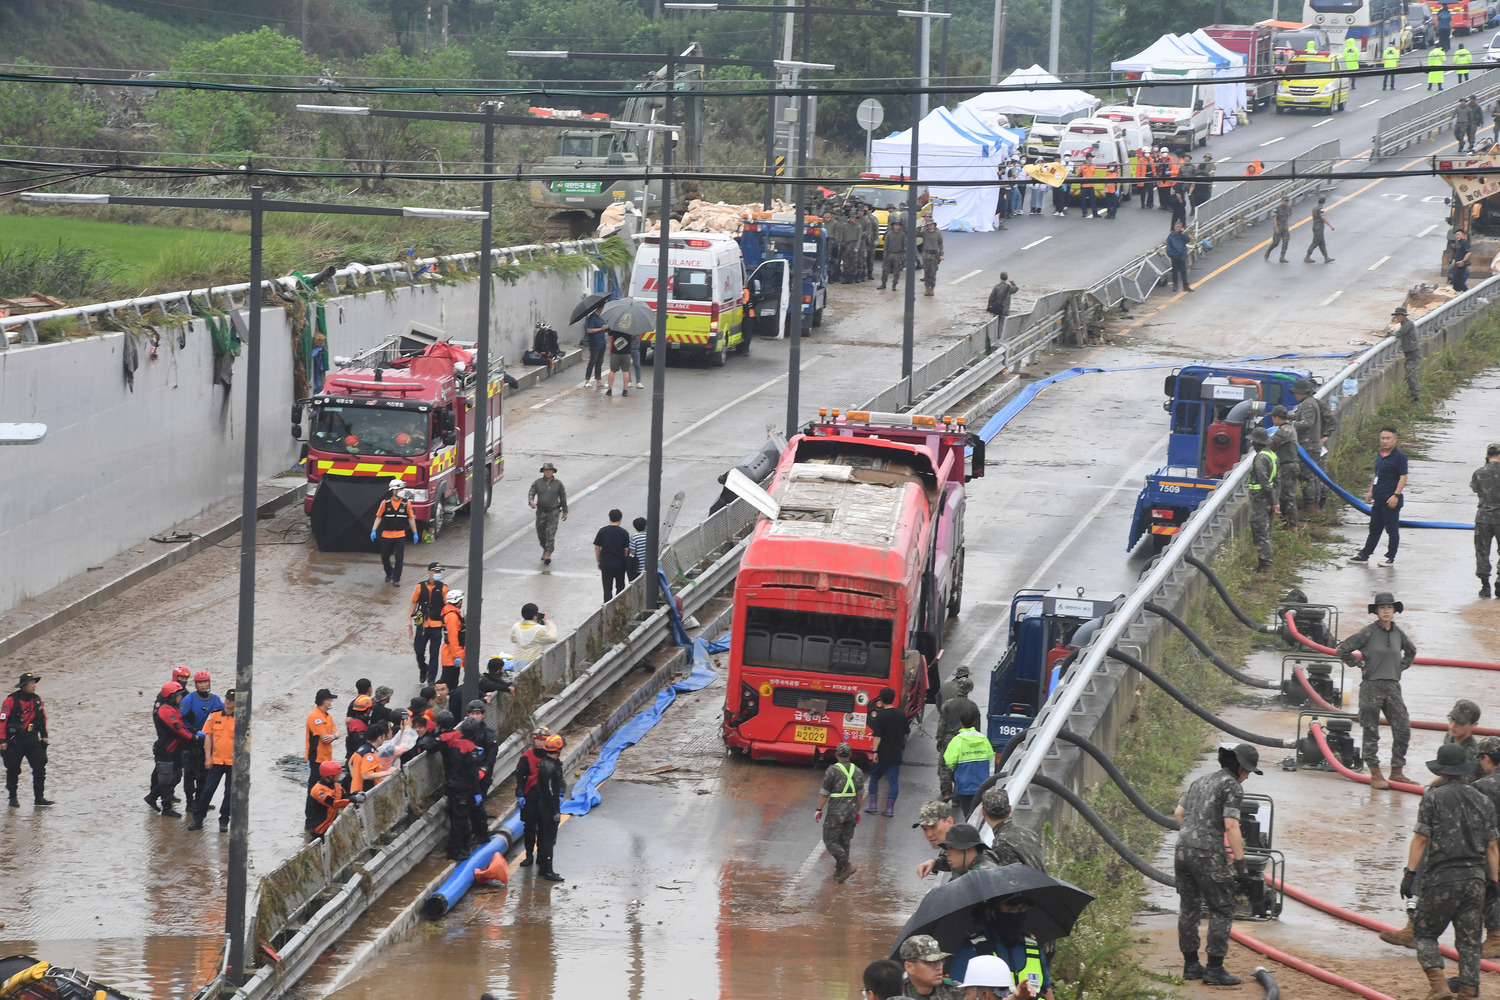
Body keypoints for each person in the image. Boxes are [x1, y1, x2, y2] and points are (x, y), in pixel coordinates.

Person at [1403, 743, 1497, 1000]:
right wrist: (1494, 882)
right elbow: (1491, 845)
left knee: (1424, 933)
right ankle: (1467, 992)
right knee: (1469, 942)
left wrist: (1409, 874)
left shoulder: (1433, 797)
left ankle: (1439, 986)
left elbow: (1420, 839)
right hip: (1475, 880)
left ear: (1442, 770)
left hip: (1442, 878)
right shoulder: (1482, 799)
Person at [1173, 743, 1261, 986]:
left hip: (1182, 850)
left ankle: (1191, 965)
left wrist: (1191, 837)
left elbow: (1179, 812)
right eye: (1249, 771)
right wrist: (1241, 865)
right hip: (1208, 854)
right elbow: (1232, 825)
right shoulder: (1231, 785)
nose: (1248, 776)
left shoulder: (1201, 780)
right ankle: (1214, 969)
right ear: (1241, 767)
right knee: (1222, 908)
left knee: (1189, 908)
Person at [1337, 591, 1416, 789]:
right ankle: (1375, 772)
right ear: (1376, 611)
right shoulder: (1368, 632)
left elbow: (1411, 650)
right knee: (1371, 731)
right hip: (1371, 687)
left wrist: (1402, 666)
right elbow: (1343, 649)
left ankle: (1397, 771)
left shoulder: (1398, 633)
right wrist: (1359, 664)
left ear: (1394, 610)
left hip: (1392, 686)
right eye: (1382, 608)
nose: (1386, 611)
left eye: (1389, 607)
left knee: (1403, 728)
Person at [950, 897, 1052, 995]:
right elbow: (957, 991)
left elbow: (1046, 990)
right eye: (1013, 909)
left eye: (1022, 909)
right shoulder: (974, 948)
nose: (1018, 913)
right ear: (994, 913)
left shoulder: (1033, 948)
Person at [1349, 426, 1408, 566]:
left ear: (1395, 440)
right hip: (1378, 499)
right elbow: (1377, 474)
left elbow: (1403, 477)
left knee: (1392, 529)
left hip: (1390, 500)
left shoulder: (1400, 457)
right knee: (1374, 529)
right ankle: (1364, 555)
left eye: (1388, 438)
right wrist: (1371, 491)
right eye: (1383, 438)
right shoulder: (1380, 455)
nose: (1385, 441)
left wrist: (1396, 495)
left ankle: (1390, 556)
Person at [815, 741, 866, 883]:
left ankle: (846, 864)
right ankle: (839, 872)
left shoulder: (832, 770)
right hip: (851, 811)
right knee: (845, 841)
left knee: (830, 840)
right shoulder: (858, 771)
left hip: (835, 811)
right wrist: (857, 811)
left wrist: (819, 809)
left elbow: (825, 793)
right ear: (850, 755)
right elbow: (860, 795)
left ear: (836, 754)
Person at [147, 681, 197, 818]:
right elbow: (178, 729)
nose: (181, 697)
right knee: (167, 779)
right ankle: (165, 806)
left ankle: (153, 797)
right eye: (179, 695)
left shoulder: (173, 708)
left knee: (174, 777)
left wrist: (191, 732)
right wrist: (193, 737)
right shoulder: (166, 710)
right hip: (166, 750)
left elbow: (181, 726)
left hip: (173, 750)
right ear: (171, 696)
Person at [440, 716, 487, 860]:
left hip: (453, 786)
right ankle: (455, 851)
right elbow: (472, 772)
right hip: (463, 788)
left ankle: (460, 847)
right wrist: (477, 792)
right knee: (460, 821)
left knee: (457, 819)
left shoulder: (454, 744)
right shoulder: (470, 748)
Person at [2, 672, 50, 808]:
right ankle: (12, 798)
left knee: (40, 767)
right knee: (13, 769)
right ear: (24, 685)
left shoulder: (36, 699)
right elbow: (2, 721)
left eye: (34, 683)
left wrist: (44, 735)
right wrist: (3, 740)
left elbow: (41, 718)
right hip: (15, 741)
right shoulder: (11, 700)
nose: (34, 685)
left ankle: (39, 798)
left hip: (32, 740)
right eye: (31, 683)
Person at [190, 688, 235, 832]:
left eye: (231, 700)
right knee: (207, 790)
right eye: (227, 698)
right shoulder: (214, 716)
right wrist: (207, 757)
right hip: (216, 761)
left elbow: (245, 741)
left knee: (229, 793)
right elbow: (208, 736)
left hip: (233, 763)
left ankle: (224, 821)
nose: (228, 701)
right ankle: (198, 819)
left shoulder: (242, 718)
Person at [1471, 737, 1500, 956]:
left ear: (1486, 758)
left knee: (1491, 886)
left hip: (1492, 845)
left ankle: (1494, 938)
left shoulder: (1482, 787)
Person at [178, 669, 222, 811]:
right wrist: (194, 732)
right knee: (190, 774)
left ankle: (201, 800)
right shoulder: (188, 700)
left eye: (205, 682)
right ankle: (190, 803)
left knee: (205, 774)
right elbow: (181, 720)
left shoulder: (216, 700)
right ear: (196, 684)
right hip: (192, 742)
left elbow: (223, 717)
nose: (203, 685)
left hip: (209, 743)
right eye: (200, 682)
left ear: (209, 683)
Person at [977, 787, 1046, 871]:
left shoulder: (1001, 844)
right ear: (1009, 809)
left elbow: (1010, 879)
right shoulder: (1030, 834)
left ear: (983, 812)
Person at [943, 705, 994, 817]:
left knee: (968, 814)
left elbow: (949, 761)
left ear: (961, 723)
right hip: (982, 785)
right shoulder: (983, 739)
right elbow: (990, 757)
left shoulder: (957, 740)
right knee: (980, 815)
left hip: (964, 785)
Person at [866, 687, 908, 818]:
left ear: (881, 700)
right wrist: (900, 744)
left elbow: (877, 737)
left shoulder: (881, 716)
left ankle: (873, 805)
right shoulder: (901, 715)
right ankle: (889, 808)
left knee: (874, 777)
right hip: (895, 753)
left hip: (882, 754)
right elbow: (906, 733)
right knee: (893, 781)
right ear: (894, 698)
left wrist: (874, 752)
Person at [936, 675, 978, 799]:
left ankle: (946, 792)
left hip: (949, 739)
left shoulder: (948, 704)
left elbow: (942, 724)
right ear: (969, 689)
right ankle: (957, 796)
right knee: (961, 767)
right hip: (965, 740)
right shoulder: (973, 707)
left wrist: (939, 739)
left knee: (945, 766)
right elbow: (977, 727)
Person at [515, 727, 551, 868]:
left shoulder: (550, 756)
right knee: (529, 828)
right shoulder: (526, 756)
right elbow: (519, 776)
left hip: (545, 798)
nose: (539, 743)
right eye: (537, 740)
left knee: (543, 829)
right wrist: (520, 794)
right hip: (530, 797)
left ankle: (541, 856)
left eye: (542, 740)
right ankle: (528, 855)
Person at [1291, 379, 1329, 512]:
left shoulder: (1307, 404)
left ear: (1302, 393)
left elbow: (1307, 423)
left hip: (1308, 445)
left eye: (1296, 392)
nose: (1295, 395)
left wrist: (1290, 424)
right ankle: (1314, 505)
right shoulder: (1310, 403)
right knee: (1313, 475)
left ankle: (1310, 505)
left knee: (1307, 476)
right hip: (1312, 445)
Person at [371, 479, 417, 586]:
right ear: (394, 490)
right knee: (384, 556)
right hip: (387, 535)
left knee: (399, 557)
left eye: (402, 489)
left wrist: (415, 532)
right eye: (399, 489)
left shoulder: (406, 504)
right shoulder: (385, 503)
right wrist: (374, 529)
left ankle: (396, 579)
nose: (402, 491)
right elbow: (378, 517)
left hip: (400, 535)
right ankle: (389, 572)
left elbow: (411, 518)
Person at [534, 733, 566, 881]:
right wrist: (554, 811)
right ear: (557, 750)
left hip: (545, 806)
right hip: (547, 808)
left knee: (544, 837)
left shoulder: (551, 764)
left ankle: (543, 867)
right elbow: (549, 791)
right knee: (548, 839)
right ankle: (547, 870)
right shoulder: (548, 767)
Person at [409, 562, 448, 685]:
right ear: (430, 572)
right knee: (419, 650)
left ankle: (431, 679)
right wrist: (408, 619)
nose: (438, 574)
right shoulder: (420, 587)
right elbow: (414, 602)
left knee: (434, 654)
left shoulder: (444, 588)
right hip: (423, 625)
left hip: (437, 626)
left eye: (439, 572)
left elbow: (447, 606)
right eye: (436, 571)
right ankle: (423, 668)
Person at [1248, 427, 1280, 571]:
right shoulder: (1273, 455)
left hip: (1260, 499)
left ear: (1256, 443)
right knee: (1266, 531)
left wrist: (1274, 501)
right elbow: (1277, 481)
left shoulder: (1260, 458)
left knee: (1260, 532)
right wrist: (1276, 501)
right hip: (1268, 499)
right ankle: (1263, 565)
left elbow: (1264, 481)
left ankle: (1266, 567)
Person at [1472, 443, 1500, 597]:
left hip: (1483, 517)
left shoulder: (1479, 472)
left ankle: (1485, 585)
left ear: (1488, 456)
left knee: (1482, 551)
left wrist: (1485, 466)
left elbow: (1475, 488)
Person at [899, 934, 964, 1000]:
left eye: (940, 960)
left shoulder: (957, 990)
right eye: (930, 962)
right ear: (909, 967)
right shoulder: (897, 993)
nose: (939, 967)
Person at [528, 463, 568, 564]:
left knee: (551, 533)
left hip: (553, 511)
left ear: (553, 471)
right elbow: (531, 492)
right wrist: (531, 501)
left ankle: (548, 553)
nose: (548, 472)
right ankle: (545, 549)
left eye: (550, 470)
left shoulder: (558, 484)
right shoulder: (538, 483)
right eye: (546, 470)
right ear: (543, 472)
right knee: (541, 534)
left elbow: (563, 497)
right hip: (541, 511)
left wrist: (565, 511)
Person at [1269, 406, 1301, 529]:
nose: (1272, 420)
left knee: (1287, 498)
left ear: (1277, 417)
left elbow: (1271, 443)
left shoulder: (1285, 430)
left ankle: (1292, 526)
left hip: (1288, 466)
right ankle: (1286, 524)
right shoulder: (1287, 428)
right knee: (1283, 497)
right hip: (1287, 466)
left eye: (1273, 417)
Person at [306, 759, 355, 837]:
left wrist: (354, 795)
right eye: (337, 775)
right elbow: (333, 803)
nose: (339, 777)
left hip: (330, 827)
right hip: (319, 829)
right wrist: (351, 800)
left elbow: (344, 795)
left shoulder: (336, 786)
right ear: (330, 776)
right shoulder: (318, 790)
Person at [594, 508, 633, 601]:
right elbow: (626, 549)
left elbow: (597, 547)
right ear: (620, 519)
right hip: (620, 564)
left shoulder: (602, 531)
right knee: (620, 587)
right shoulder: (624, 533)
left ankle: (607, 609)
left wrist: (599, 561)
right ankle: (619, 608)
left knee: (607, 588)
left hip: (606, 564)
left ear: (609, 518)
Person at [915, 799, 959, 879]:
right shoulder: (956, 845)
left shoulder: (966, 849)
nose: (929, 834)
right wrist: (934, 863)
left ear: (949, 822)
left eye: (933, 827)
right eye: (925, 829)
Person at [304, 688, 338, 788]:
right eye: (330, 700)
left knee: (325, 785)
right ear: (325, 701)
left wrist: (334, 736)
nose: (331, 702)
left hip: (327, 757)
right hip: (317, 758)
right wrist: (334, 736)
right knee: (314, 785)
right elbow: (324, 738)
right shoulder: (315, 716)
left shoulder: (327, 716)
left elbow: (337, 732)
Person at [439, 588, 466, 702]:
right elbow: (453, 638)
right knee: (447, 683)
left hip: (452, 653)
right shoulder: (452, 616)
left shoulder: (453, 613)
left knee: (451, 682)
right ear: (458, 601)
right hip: (451, 654)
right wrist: (458, 657)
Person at [1391, 306, 1422, 401]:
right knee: (1409, 374)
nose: (1396, 318)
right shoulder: (1405, 324)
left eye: (1398, 316)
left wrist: (1389, 334)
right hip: (1409, 353)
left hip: (1412, 353)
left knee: (1412, 374)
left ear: (1403, 316)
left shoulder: (1408, 324)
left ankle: (1416, 397)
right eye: (1396, 316)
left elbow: (1399, 333)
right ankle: (1413, 395)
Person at [1304, 196, 1335, 263]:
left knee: (1322, 243)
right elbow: (1323, 217)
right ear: (1324, 202)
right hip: (1319, 227)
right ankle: (1307, 256)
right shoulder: (1320, 209)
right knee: (1315, 242)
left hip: (1315, 226)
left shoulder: (1314, 208)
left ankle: (1326, 257)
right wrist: (1330, 226)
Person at [583, 303, 607, 388]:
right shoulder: (592, 318)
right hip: (595, 343)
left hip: (602, 342)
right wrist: (601, 328)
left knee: (599, 362)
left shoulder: (601, 318)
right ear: (600, 308)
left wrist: (606, 328)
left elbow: (604, 328)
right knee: (592, 362)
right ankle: (587, 380)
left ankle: (599, 380)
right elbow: (590, 330)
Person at [605, 324, 633, 397]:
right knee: (626, 371)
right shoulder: (631, 324)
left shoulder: (615, 323)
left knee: (612, 371)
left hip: (615, 351)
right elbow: (634, 336)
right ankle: (625, 390)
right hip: (626, 352)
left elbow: (610, 333)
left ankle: (609, 390)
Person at [1166, 221, 1193, 294]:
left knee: (1184, 271)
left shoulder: (1182, 235)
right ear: (1174, 228)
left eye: (1179, 227)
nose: (1178, 228)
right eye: (1176, 227)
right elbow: (1168, 246)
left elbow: (1187, 240)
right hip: (1175, 256)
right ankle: (1175, 285)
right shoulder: (1171, 236)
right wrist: (1171, 254)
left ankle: (1185, 286)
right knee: (1175, 272)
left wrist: (1183, 233)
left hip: (1182, 256)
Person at [880, 217, 906, 292]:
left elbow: (905, 245)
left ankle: (894, 284)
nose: (896, 226)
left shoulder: (902, 235)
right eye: (895, 225)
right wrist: (885, 253)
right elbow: (885, 244)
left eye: (898, 225)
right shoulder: (889, 234)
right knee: (885, 270)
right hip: (889, 254)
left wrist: (903, 255)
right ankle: (883, 283)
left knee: (896, 271)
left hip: (898, 254)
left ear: (900, 226)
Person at [1264, 196, 1291, 263]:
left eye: (1287, 201)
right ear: (1282, 201)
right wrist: (1276, 227)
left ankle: (1282, 257)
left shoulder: (1289, 208)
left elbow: (1290, 215)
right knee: (1276, 243)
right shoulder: (1277, 209)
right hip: (1278, 227)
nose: (1286, 202)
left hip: (1285, 228)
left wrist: (1287, 223)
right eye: (1285, 201)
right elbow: (1274, 218)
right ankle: (1268, 251)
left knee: (1285, 242)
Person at [921, 221, 944, 296]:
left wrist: (941, 254)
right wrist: (922, 226)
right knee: (926, 272)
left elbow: (940, 244)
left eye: (932, 225)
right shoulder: (925, 233)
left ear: (934, 225)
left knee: (933, 273)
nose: (930, 226)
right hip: (926, 255)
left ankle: (932, 288)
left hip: (934, 255)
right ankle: (927, 288)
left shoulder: (937, 233)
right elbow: (915, 233)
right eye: (929, 225)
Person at [1451, 229, 1472, 294]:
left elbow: (1468, 252)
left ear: (1463, 235)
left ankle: (1467, 293)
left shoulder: (1464, 242)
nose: (1457, 236)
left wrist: (1463, 261)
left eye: (1458, 234)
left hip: (1461, 264)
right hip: (1457, 264)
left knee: (1459, 281)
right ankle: (1458, 294)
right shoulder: (1459, 243)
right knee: (1455, 281)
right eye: (1456, 235)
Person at [628, 516, 648, 582]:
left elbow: (632, 552)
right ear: (645, 526)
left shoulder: (634, 537)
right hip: (650, 567)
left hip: (639, 568)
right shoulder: (650, 535)